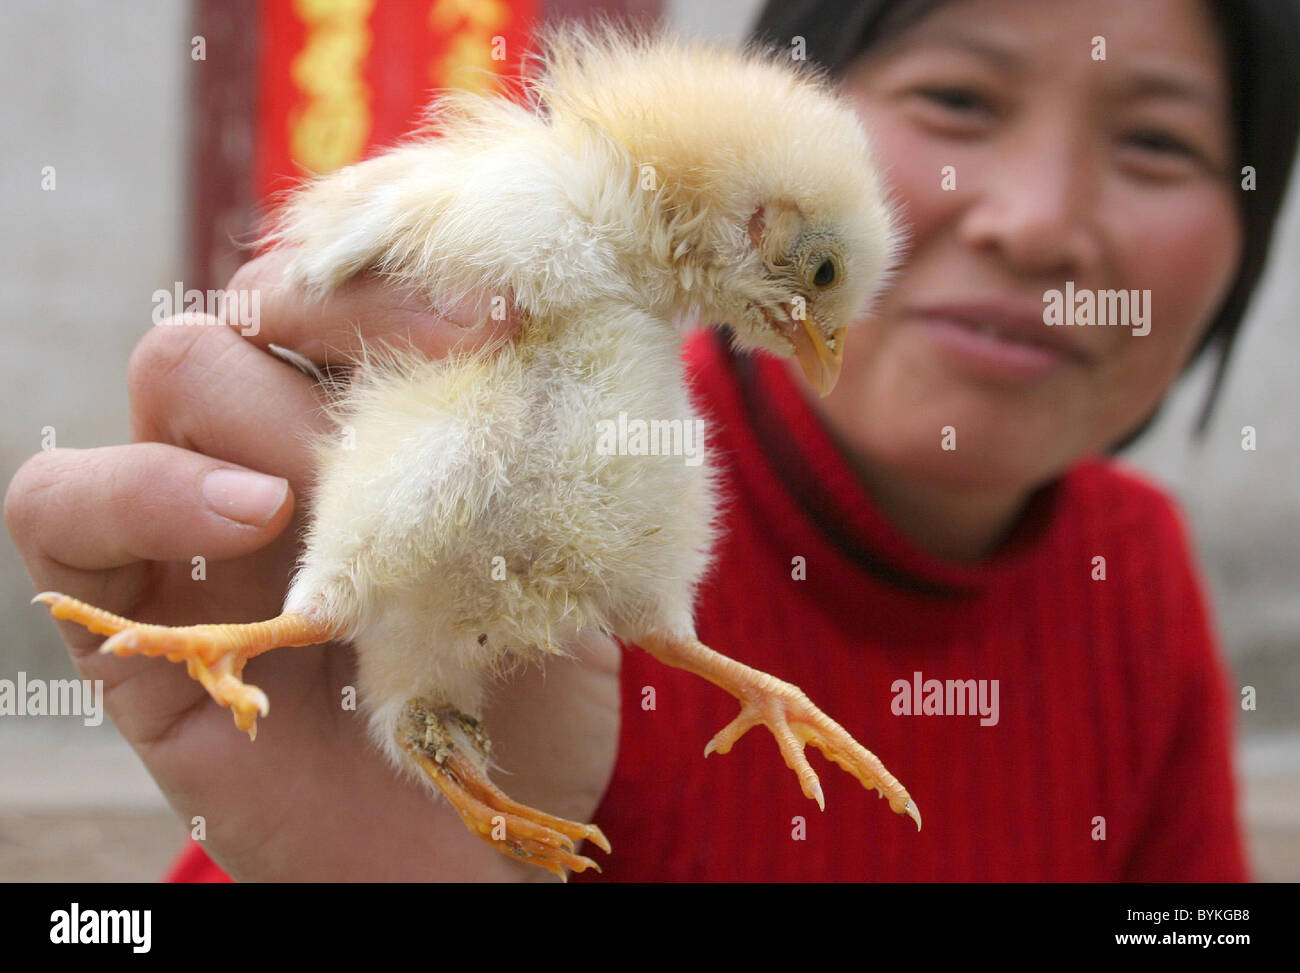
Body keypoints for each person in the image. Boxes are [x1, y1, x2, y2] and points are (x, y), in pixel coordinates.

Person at [6, 0, 1297, 881]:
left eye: (1157, 140)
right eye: (960, 98)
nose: (1034, 218)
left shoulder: (1135, 579)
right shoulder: (545, 403)